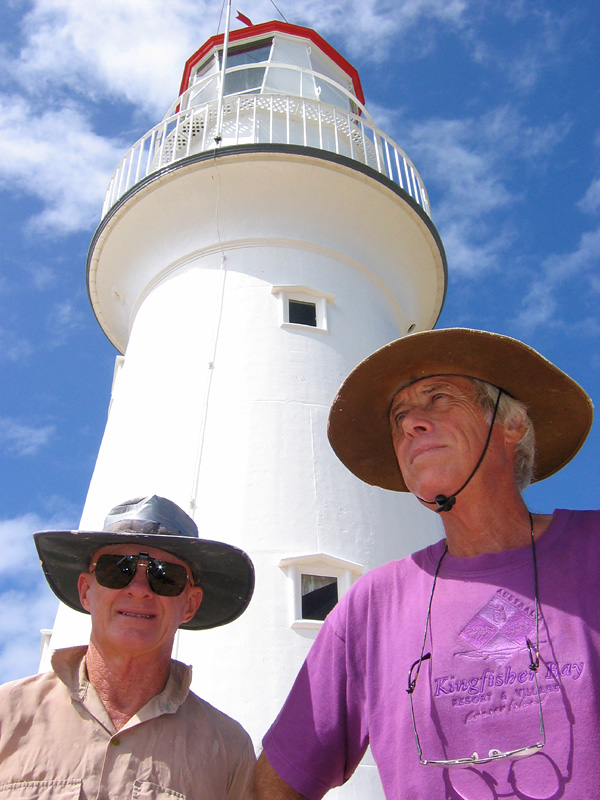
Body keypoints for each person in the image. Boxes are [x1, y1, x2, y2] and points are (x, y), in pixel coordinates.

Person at [254, 327, 598, 800]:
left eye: (438, 399)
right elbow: (273, 787)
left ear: (511, 424)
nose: (410, 424)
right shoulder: (372, 606)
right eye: (398, 417)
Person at [0, 494, 256, 798]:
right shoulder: (6, 715)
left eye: (164, 576)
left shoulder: (230, 752)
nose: (138, 589)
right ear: (85, 591)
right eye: (117, 569)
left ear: (190, 604)